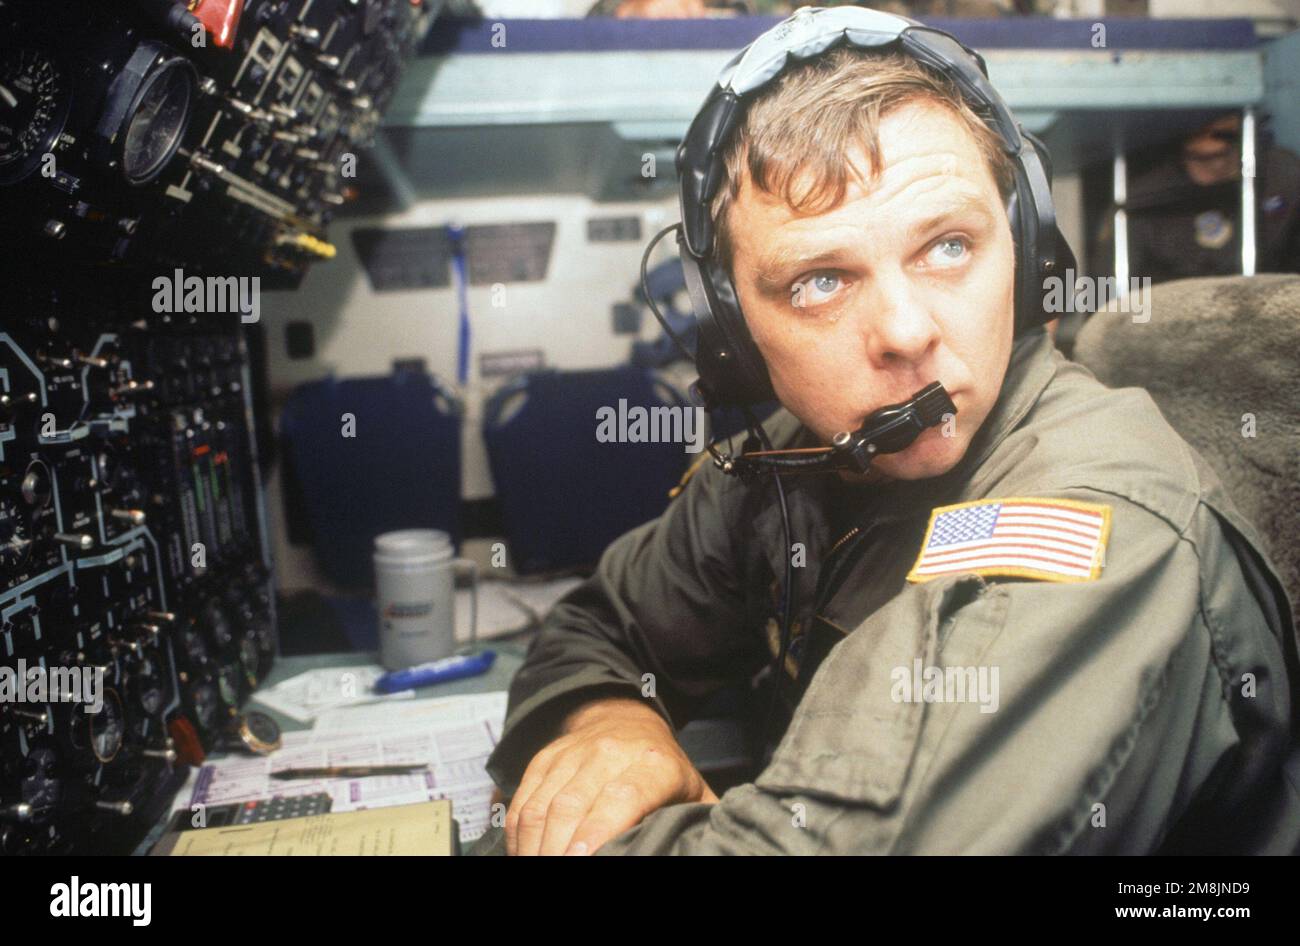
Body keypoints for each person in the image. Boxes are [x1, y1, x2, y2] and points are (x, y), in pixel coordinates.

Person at [474, 7, 1300, 855]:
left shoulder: (1095, 524)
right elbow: (602, 623)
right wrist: (611, 720)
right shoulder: (786, 462)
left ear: (1023, 254)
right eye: (821, 281)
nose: (906, 333)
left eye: (948, 246)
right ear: (736, 337)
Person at [1103, 113, 1300, 283]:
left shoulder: (1283, 176)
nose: (1215, 166)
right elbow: (1108, 286)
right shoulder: (1144, 197)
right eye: (1200, 158)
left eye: (1224, 153)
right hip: (1175, 313)